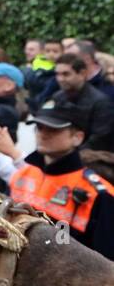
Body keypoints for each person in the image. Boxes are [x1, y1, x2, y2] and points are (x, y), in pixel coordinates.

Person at [7, 100, 114, 258]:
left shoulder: (98, 194)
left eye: (53, 129)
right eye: (40, 127)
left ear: (77, 137)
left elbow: (106, 261)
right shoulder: (22, 174)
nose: (43, 134)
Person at [41, 52, 114, 151]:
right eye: (57, 74)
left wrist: (72, 155)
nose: (60, 79)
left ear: (82, 73)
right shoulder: (58, 97)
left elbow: (99, 139)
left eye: (66, 74)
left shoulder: (101, 102)